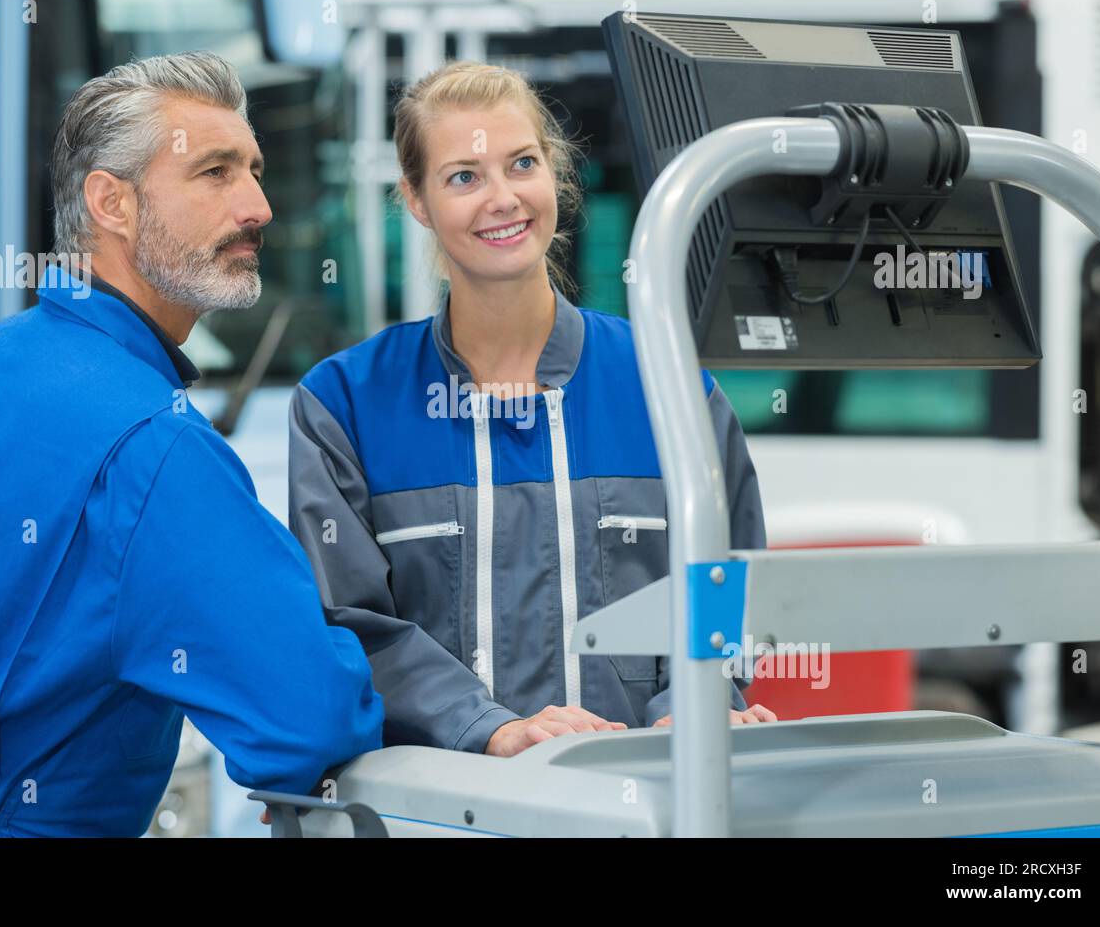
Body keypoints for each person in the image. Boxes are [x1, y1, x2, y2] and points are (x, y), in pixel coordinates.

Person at [0, 52, 381, 837]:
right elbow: (305, 719)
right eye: (216, 172)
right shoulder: (155, 448)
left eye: (256, 170)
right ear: (113, 203)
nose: (260, 205)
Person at [288, 62, 773, 760]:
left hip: (646, 808)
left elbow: (730, 581)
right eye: (464, 176)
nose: (503, 198)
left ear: (556, 174)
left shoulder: (669, 385)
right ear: (416, 200)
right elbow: (348, 628)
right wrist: (491, 728)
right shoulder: (343, 406)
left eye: (522, 164)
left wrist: (693, 710)